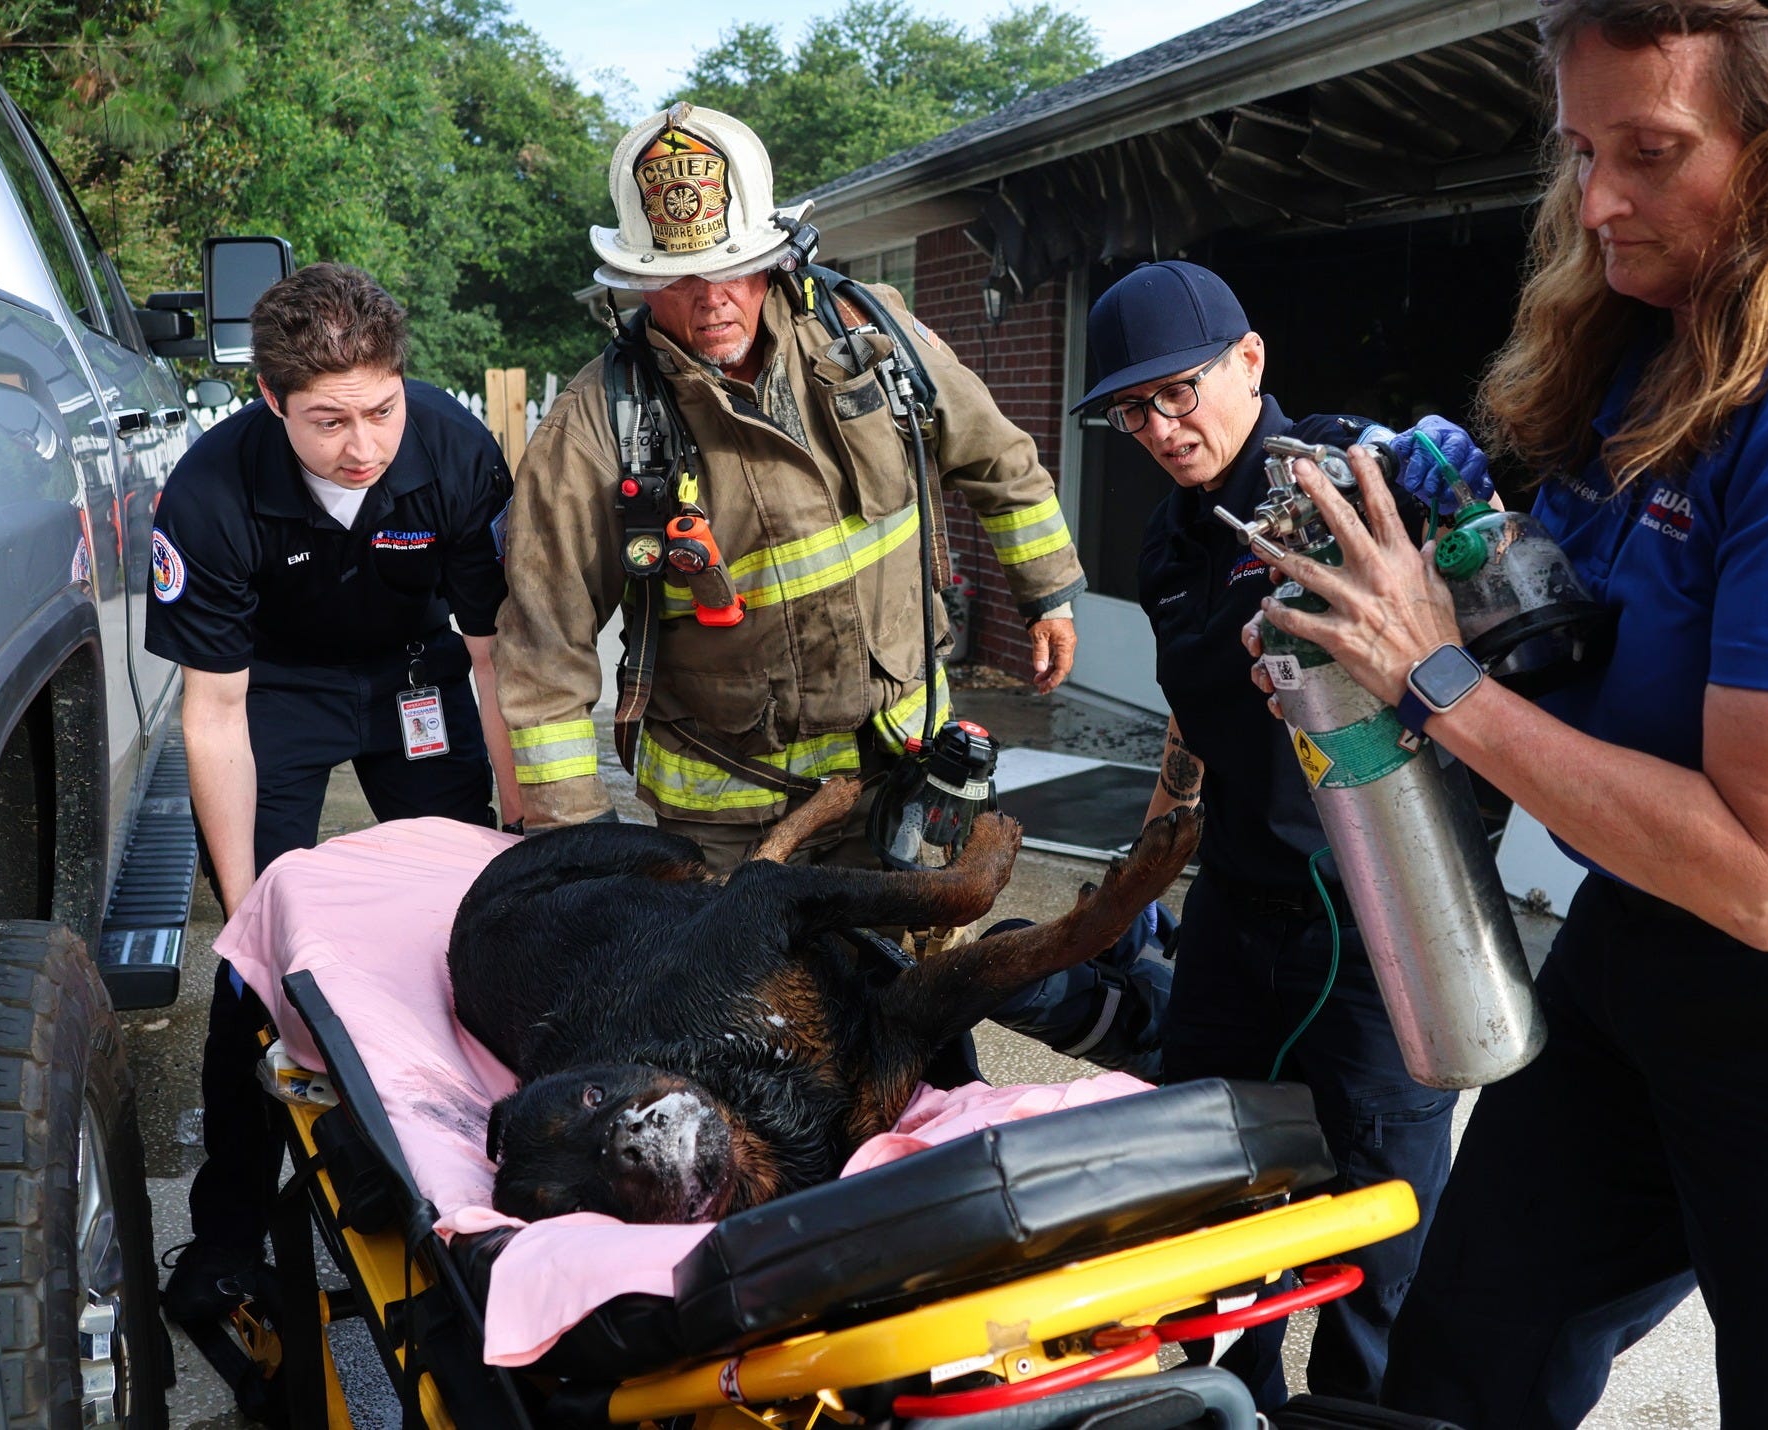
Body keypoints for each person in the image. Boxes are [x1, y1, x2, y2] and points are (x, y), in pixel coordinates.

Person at [1240, 1, 1768, 1422]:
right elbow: (1576, 629)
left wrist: (1432, 676)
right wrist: (1370, 592)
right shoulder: (1654, 347)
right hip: (1645, 938)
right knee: (1466, 1357)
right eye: (1583, 148)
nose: (1595, 202)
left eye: (1653, 150)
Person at [1069, 259, 1496, 1404]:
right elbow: (1194, 725)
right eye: (1130, 409)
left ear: (1248, 360)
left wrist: (1452, 506)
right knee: (1209, 1197)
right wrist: (1140, 874)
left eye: (1179, 391)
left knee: (1378, 1234)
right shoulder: (1167, 542)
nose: (1159, 426)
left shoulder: (1357, 478)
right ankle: (1226, 1403)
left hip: (1380, 930)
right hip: (1233, 921)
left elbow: (1487, 584)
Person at [495, 103, 1084, 867]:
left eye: (733, 266)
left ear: (775, 256)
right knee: (749, 993)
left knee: (916, 978)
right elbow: (545, 653)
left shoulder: (867, 338)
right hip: (731, 823)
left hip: (899, 771)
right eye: (678, 276)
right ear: (638, 284)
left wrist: (1048, 593)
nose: (712, 298)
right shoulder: (594, 427)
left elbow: (993, 454)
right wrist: (580, 851)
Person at [147, 262, 521, 1319]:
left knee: (471, 922)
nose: (361, 446)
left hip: (415, 675)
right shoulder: (212, 491)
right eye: (327, 421)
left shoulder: (450, 448)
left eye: (379, 410)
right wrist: (250, 913)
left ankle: (475, 1171)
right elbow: (211, 714)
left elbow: (495, 660)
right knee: (251, 979)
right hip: (276, 688)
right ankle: (225, 1235)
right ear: (269, 402)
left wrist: (521, 816)